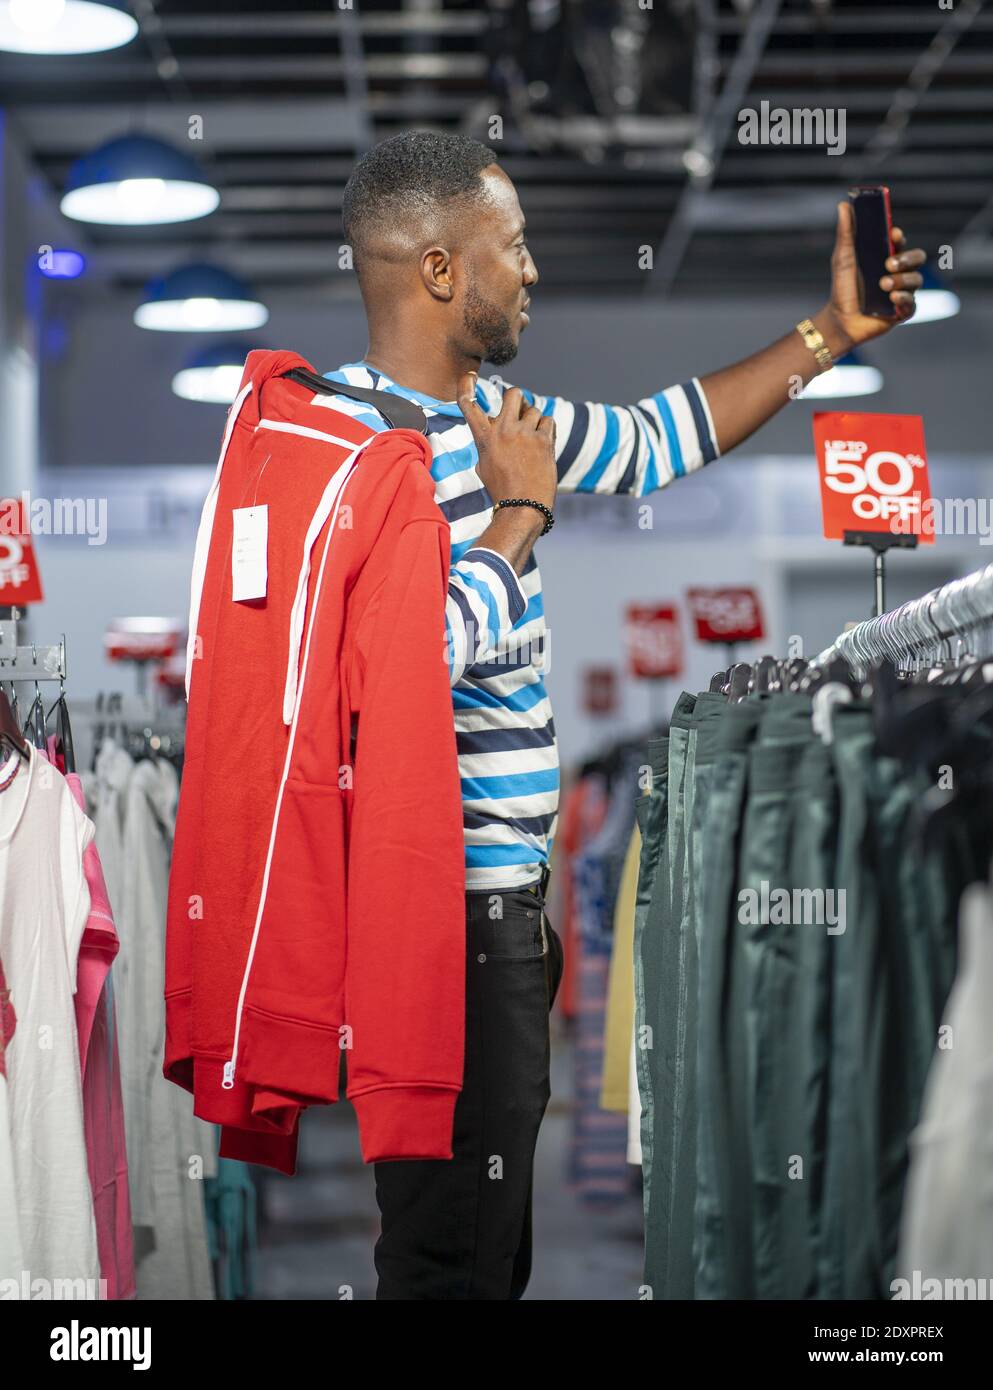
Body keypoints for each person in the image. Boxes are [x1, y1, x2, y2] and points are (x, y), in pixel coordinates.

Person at [322, 131, 925, 1301]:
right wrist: (521, 515)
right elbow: (395, 672)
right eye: (516, 246)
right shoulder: (346, 446)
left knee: (487, 1250)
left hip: (503, 921)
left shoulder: (497, 416)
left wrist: (832, 332)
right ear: (440, 270)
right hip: (439, 919)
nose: (534, 270)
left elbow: (658, 439)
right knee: (449, 1257)